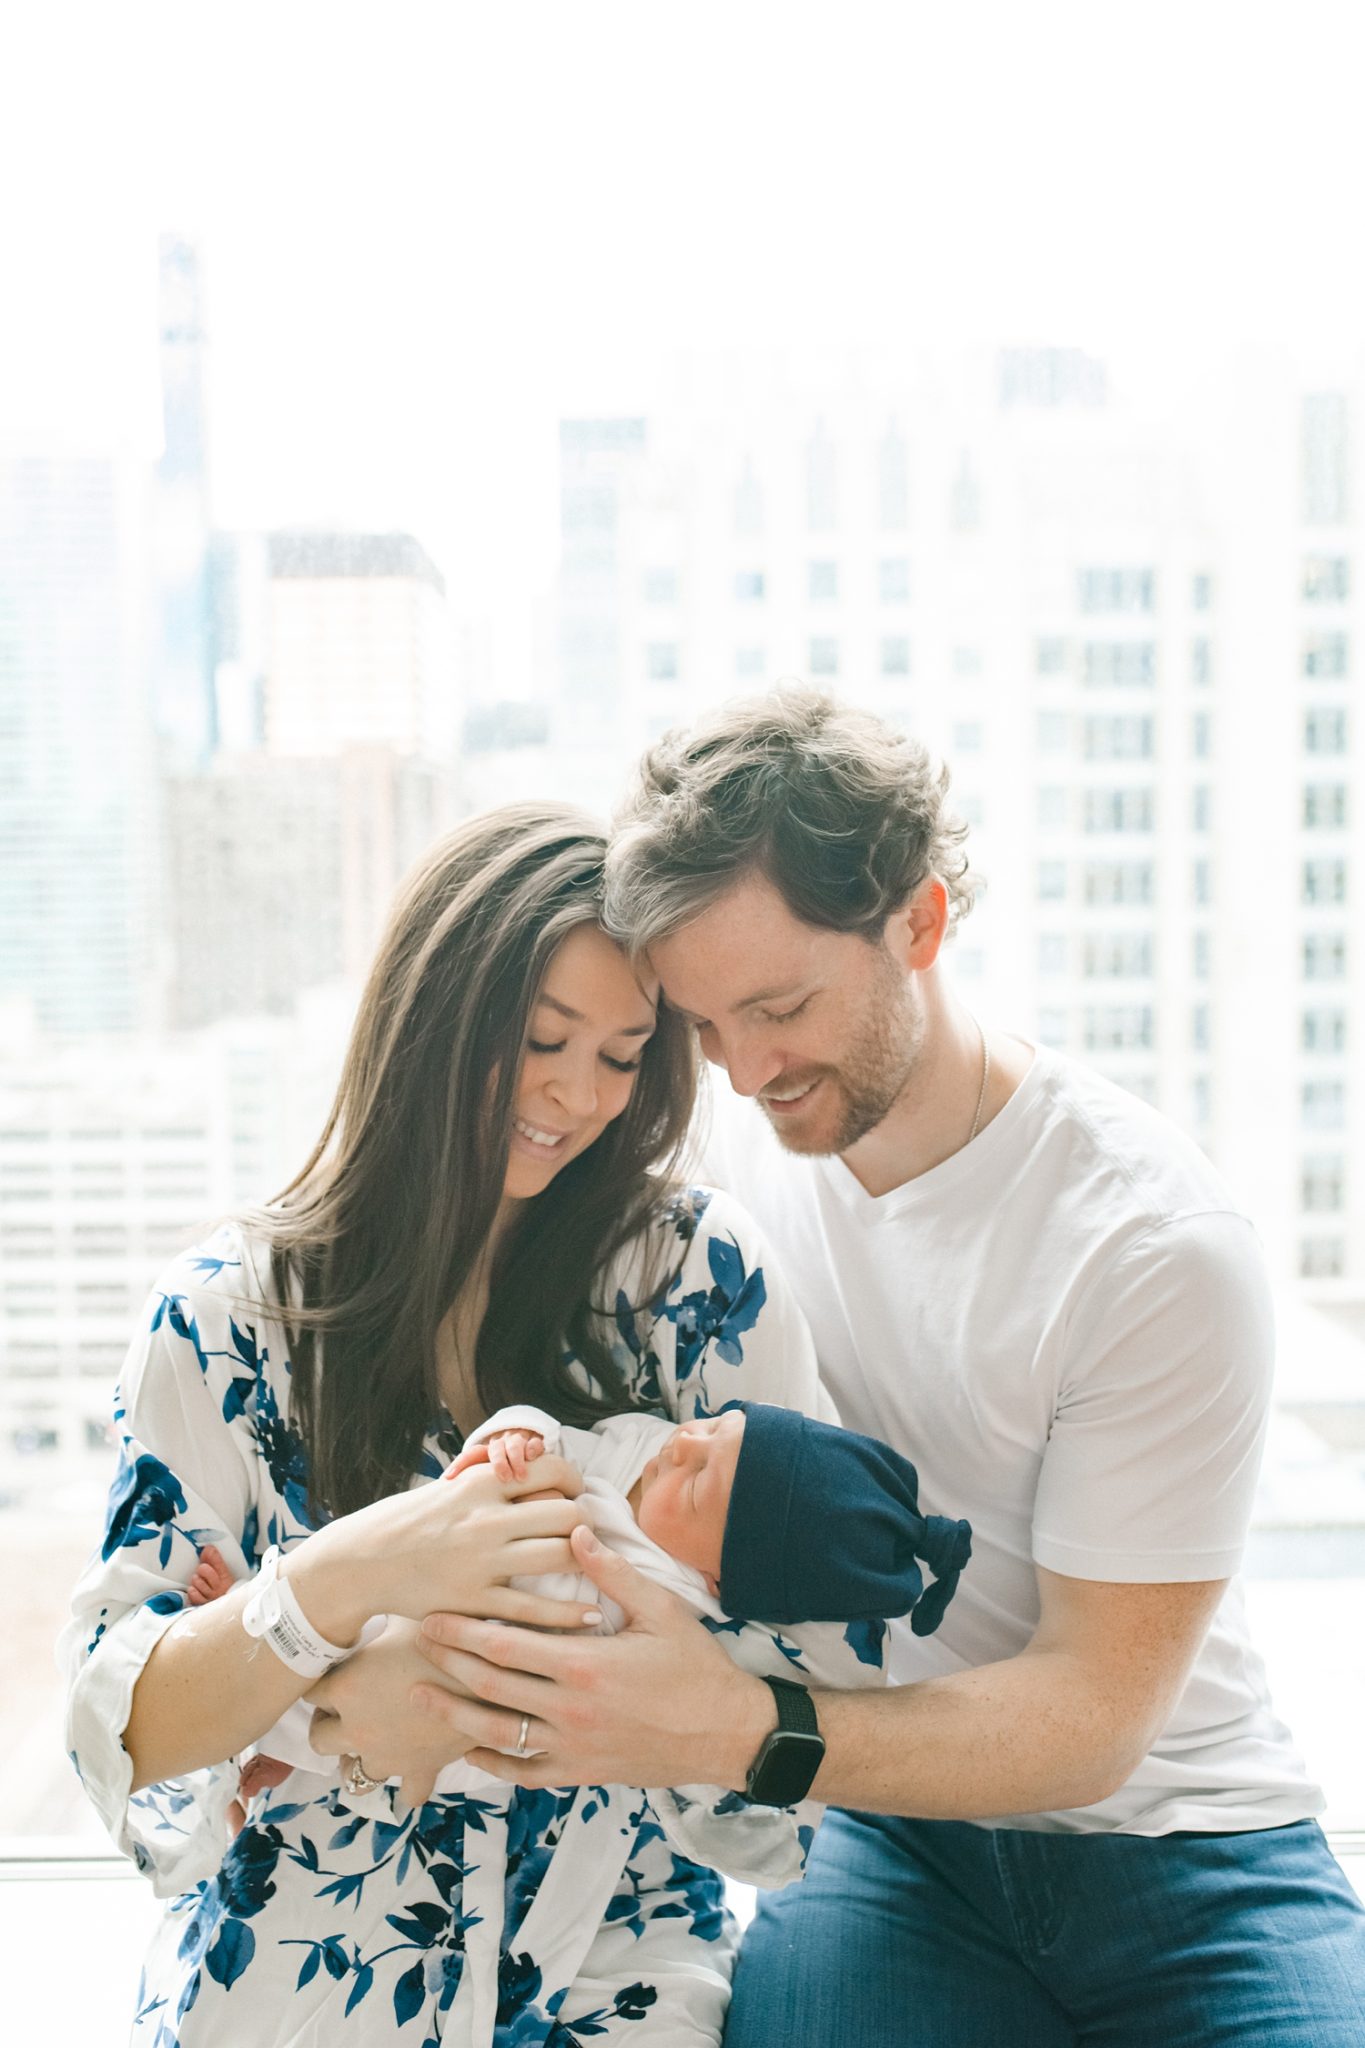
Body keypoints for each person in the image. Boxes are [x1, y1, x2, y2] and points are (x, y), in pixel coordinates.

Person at [412, 696, 1365, 2046]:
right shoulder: (718, 1189)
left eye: (780, 1007)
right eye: (705, 1027)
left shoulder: (1149, 1244)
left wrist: (728, 1728)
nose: (747, 1071)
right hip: (894, 1837)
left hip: (1190, 1842)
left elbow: (1094, 1714)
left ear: (919, 921)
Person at [61, 802, 867, 2048]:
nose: (577, 1094)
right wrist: (349, 1580)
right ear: (434, 1015)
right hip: (296, 1968)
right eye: (543, 1039)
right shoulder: (224, 1320)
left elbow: (813, 1678)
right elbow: (128, 1726)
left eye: (621, 1055)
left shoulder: (696, 1282)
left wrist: (474, 1704)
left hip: (616, 1958)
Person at [181, 1397, 966, 2033]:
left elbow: (731, 1740)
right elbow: (554, 1435)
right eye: (710, 1430)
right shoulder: (634, 1456)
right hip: (427, 1584)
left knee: (391, 1734)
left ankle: (272, 1735)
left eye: (699, 1483)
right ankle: (252, 1637)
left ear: (719, 1581)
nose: (683, 1449)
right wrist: (513, 1438)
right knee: (351, 1613)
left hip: (486, 1708)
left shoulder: (681, 1606)